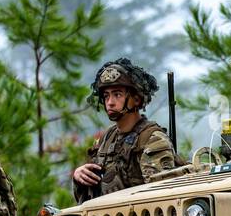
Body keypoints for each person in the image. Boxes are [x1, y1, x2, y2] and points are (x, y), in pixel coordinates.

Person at [71, 58, 179, 202]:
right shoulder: (106, 139)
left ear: (136, 99)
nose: (110, 102)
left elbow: (162, 198)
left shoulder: (152, 139)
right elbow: (90, 197)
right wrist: (79, 177)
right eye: (106, 96)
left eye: (117, 95)